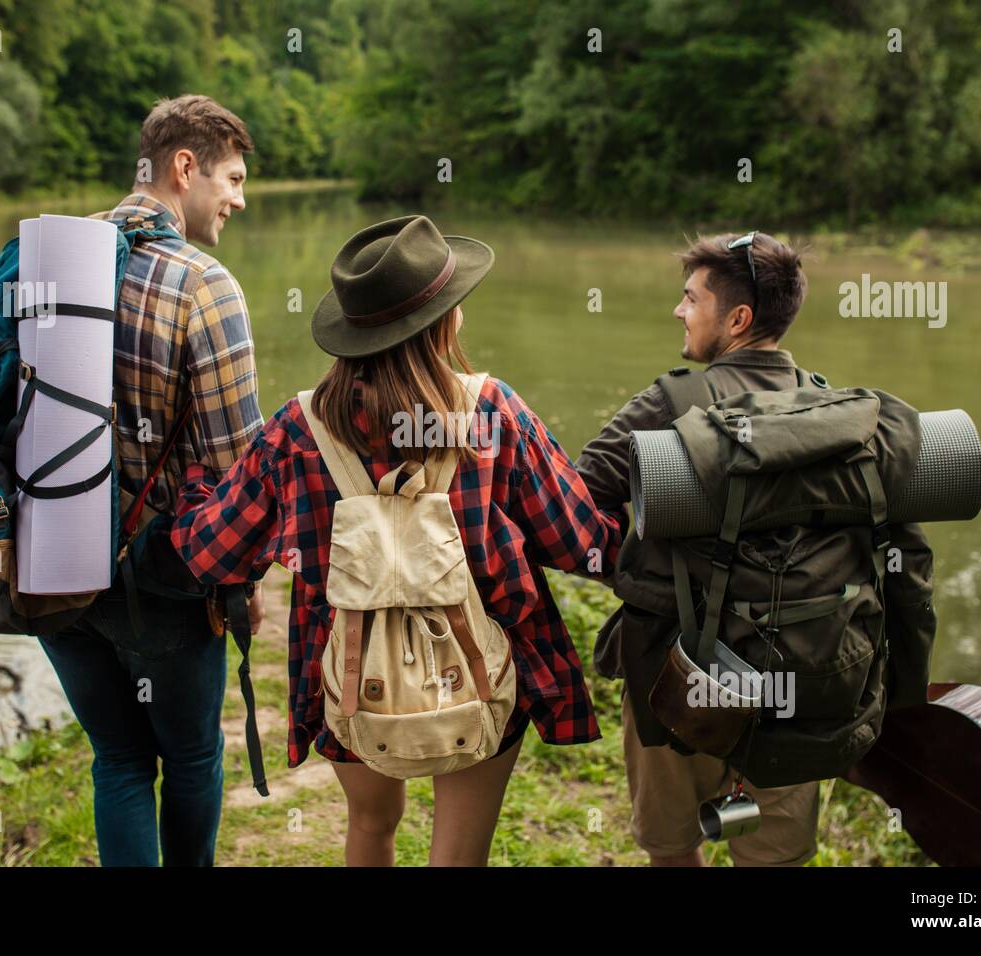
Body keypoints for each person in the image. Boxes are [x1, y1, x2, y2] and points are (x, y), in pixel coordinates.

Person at [170, 214, 622, 866]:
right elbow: (582, 545)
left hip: (352, 683)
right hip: (481, 674)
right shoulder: (493, 412)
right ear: (443, 320)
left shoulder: (297, 429)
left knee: (371, 827)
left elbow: (209, 553)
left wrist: (189, 485)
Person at [576, 231, 937, 867]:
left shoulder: (671, 404)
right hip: (808, 682)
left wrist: (633, 575)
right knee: (776, 859)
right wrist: (902, 698)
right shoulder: (849, 417)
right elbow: (906, 570)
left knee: (673, 850)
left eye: (691, 299)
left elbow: (575, 506)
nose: (678, 311)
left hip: (677, 680)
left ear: (737, 319)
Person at [36, 95, 265, 866]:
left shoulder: (48, 258)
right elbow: (240, 464)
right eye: (231, 178)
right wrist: (248, 585)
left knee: (120, 760)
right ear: (184, 166)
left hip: (48, 567)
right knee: (193, 759)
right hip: (161, 581)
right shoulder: (205, 284)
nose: (239, 197)